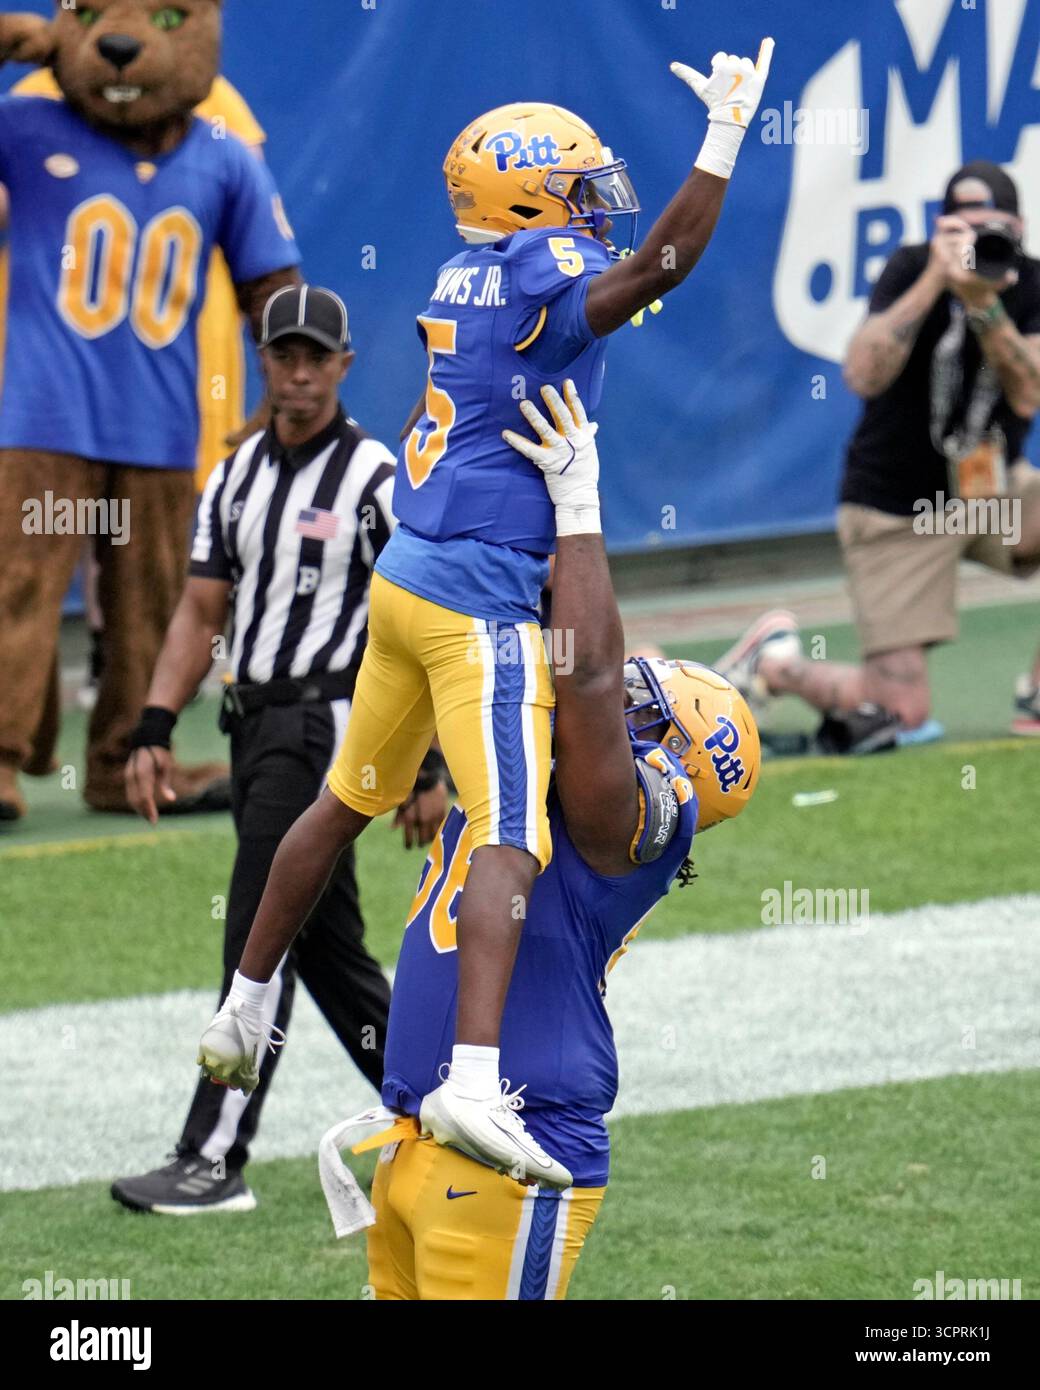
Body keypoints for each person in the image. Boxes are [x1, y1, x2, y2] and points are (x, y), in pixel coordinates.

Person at [194, 42, 776, 1190]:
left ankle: (241, 1004)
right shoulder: (537, 277)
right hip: (476, 595)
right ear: (527, 197)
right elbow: (657, 265)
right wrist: (718, 145)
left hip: (404, 578)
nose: (593, 207)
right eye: (575, 187)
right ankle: (473, 1076)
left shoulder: (473, 272)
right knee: (511, 830)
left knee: (342, 802)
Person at [320, 383, 760, 1299]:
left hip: (517, 1149)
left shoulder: (632, 828)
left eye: (650, 710)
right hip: (422, 1142)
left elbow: (590, 676)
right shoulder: (530, 773)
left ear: (671, 764)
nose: (623, 696)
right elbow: (539, 648)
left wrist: (582, 508)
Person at [111, 286, 447, 1214]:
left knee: (257, 933)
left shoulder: (379, 475)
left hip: (329, 726)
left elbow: (426, 619)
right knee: (327, 949)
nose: (296, 378)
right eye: (281, 358)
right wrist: (152, 722)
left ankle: (212, 1157)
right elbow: (201, 608)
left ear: (342, 366)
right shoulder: (234, 477)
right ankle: (448, 1109)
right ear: (263, 362)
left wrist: (428, 764)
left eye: (314, 360)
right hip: (256, 725)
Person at [719, 162, 1040, 742]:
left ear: (1018, 227)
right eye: (962, 231)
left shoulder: (1029, 281)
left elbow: (1030, 390)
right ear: (941, 229)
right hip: (898, 509)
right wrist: (936, 285)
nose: (978, 245)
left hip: (992, 495)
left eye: (991, 230)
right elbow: (862, 376)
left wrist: (986, 307)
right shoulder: (911, 268)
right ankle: (774, 665)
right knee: (902, 713)